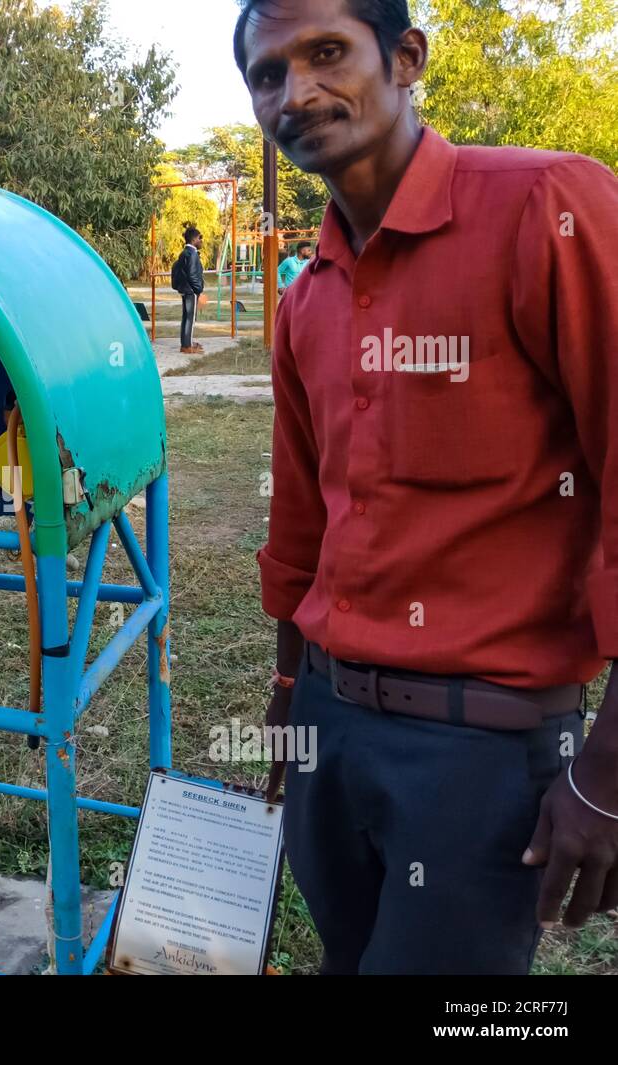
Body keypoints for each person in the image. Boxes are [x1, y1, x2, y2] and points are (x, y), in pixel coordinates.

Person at [237, 0, 618, 974]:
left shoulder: (547, 209)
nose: (298, 91)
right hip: (327, 722)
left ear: (405, 57)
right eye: (268, 73)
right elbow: (299, 525)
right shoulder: (305, 296)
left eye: (327, 54)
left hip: (477, 755)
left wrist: (607, 774)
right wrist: (287, 697)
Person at [170, 225, 206, 354]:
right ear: (194, 239)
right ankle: (187, 346)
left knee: (186, 317)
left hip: (185, 290)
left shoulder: (184, 253)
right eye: (200, 238)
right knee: (190, 318)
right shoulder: (192, 254)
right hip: (191, 291)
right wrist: (198, 289)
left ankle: (186, 343)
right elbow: (192, 274)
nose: (201, 240)